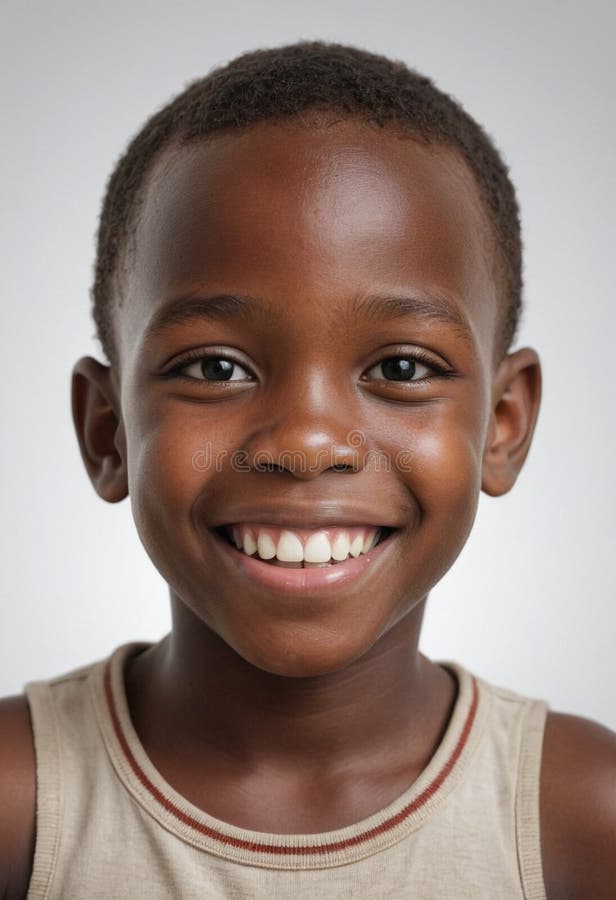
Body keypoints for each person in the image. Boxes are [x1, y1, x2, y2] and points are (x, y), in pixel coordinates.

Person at [1, 40, 614, 899]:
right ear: (108, 431)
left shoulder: (580, 817)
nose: (308, 442)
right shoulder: (20, 806)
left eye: (401, 368)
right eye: (216, 367)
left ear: (503, 425)